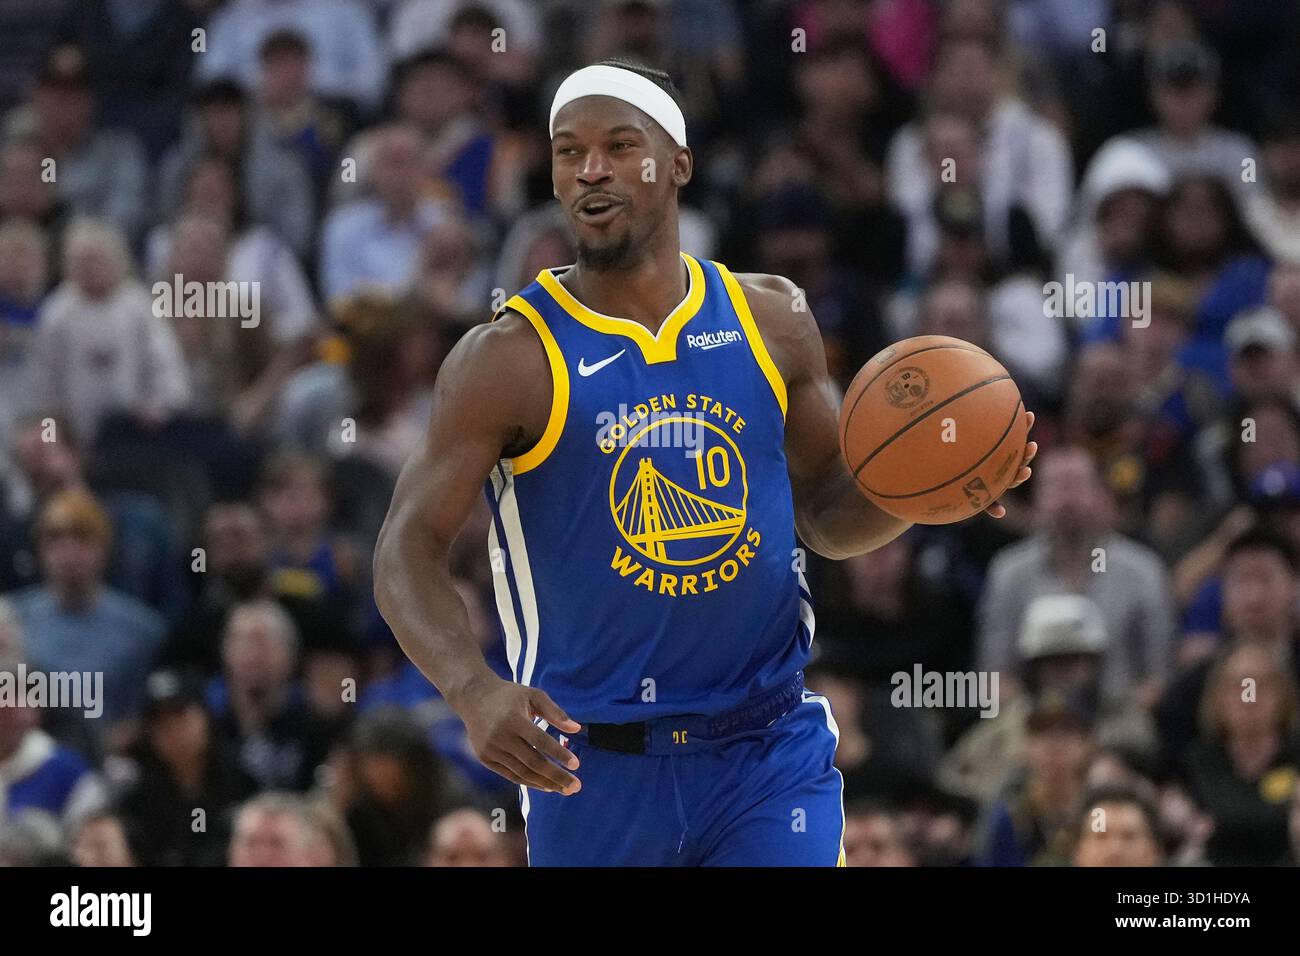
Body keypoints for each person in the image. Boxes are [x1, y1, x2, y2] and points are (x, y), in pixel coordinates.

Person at [373, 58, 1037, 867]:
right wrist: (472, 689)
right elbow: (405, 549)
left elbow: (826, 516)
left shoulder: (772, 317)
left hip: (765, 747)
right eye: (567, 150)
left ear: (678, 162)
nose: (590, 169)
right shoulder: (507, 357)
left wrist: (936, 491)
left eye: (620, 146)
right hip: (591, 765)